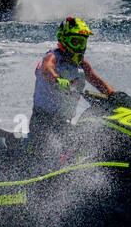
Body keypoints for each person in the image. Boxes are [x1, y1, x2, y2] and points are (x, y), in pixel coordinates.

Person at [28, 17, 116, 160]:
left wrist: (115, 96)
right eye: (76, 41)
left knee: (82, 149)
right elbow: (46, 70)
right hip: (43, 120)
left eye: (83, 42)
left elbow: (99, 82)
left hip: (63, 123)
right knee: (49, 154)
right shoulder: (53, 57)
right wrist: (57, 80)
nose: (80, 46)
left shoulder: (82, 64)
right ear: (64, 39)